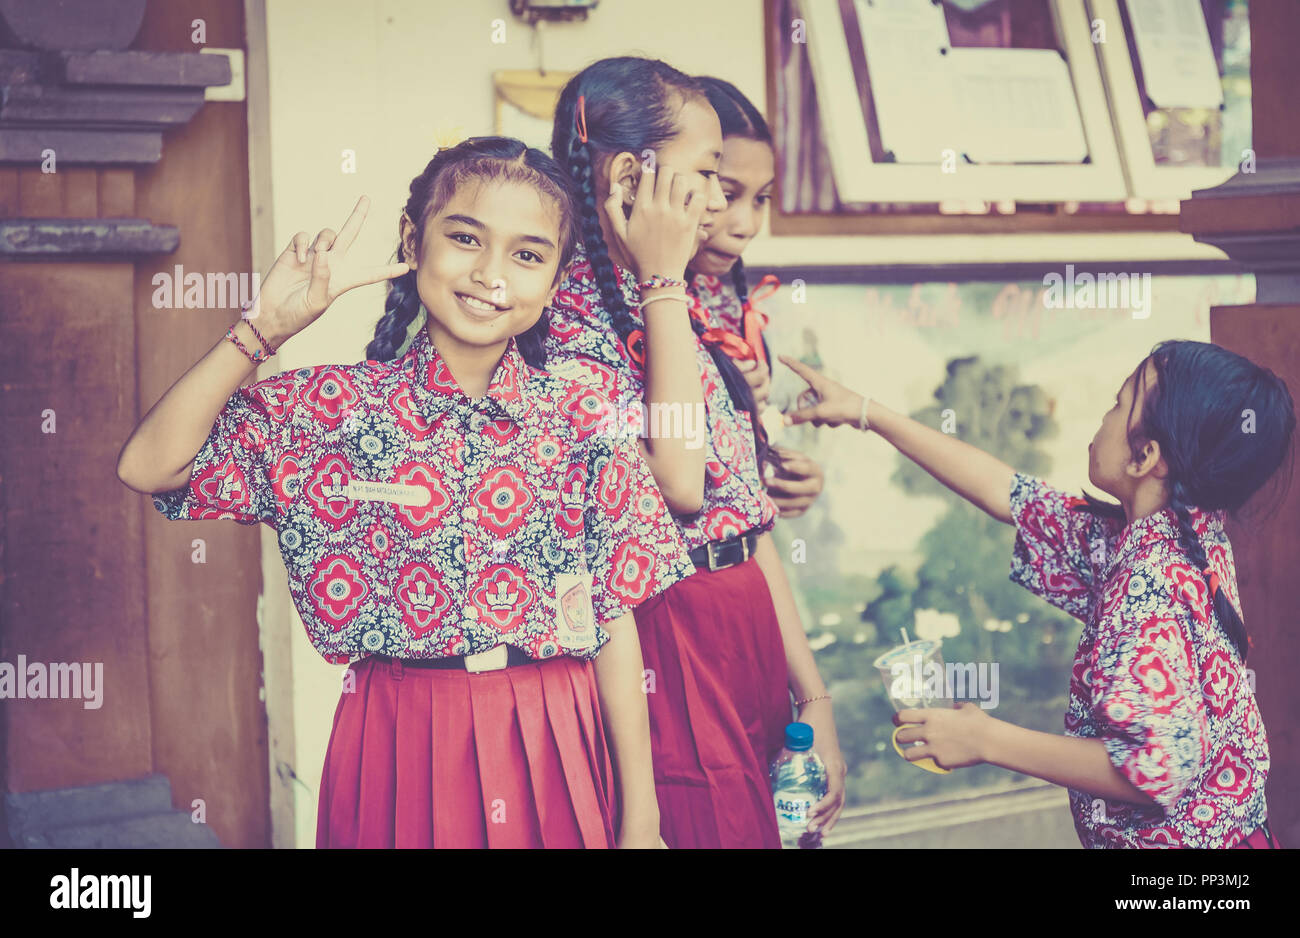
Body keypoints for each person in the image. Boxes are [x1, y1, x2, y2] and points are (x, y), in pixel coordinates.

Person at [117, 137, 697, 848]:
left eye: (527, 254)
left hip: (555, 732)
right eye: (464, 238)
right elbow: (151, 467)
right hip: (394, 734)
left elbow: (612, 621)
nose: (491, 275)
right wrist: (262, 330)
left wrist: (642, 819)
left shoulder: (584, 418)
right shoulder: (326, 409)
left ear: (553, 281)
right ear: (411, 239)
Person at [782, 340, 1295, 848]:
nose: (1104, 415)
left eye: (1118, 403)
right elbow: (1009, 493)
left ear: (1145, 456)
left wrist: (985, 739)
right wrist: (865, 412)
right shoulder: (1183, 532)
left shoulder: (1149, 580)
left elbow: (1156, 772)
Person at [545, 56, 847, 848]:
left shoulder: (679, 302)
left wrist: (812, 695)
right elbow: (680, 483)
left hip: (745, 607)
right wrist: (662, 278)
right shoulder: (575, 321)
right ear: (624, 178)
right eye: (708, 175)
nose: (719, 204)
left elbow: (742, 513)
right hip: (668, 636)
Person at [686, 75, 824, 519]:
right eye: (727, 194)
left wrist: (774, 470)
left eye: (761, 198)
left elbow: (745, 436)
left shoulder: (725, 298)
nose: (746, 223)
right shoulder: (628, 297)